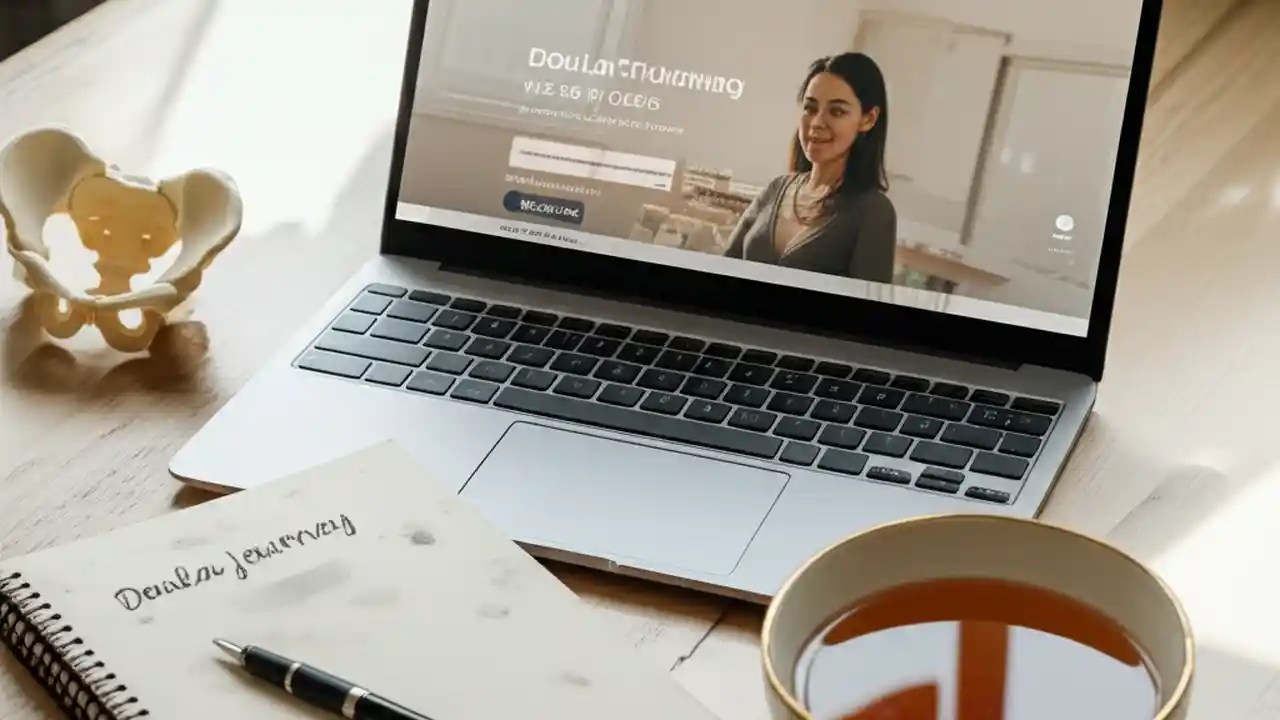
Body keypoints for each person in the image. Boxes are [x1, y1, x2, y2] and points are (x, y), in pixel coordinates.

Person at [723, 52, 897, 283]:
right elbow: (723, 270)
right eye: (810, 108)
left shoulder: (873, 212)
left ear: (868, 119)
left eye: (836, 111)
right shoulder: (776, 189)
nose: (816, 123)